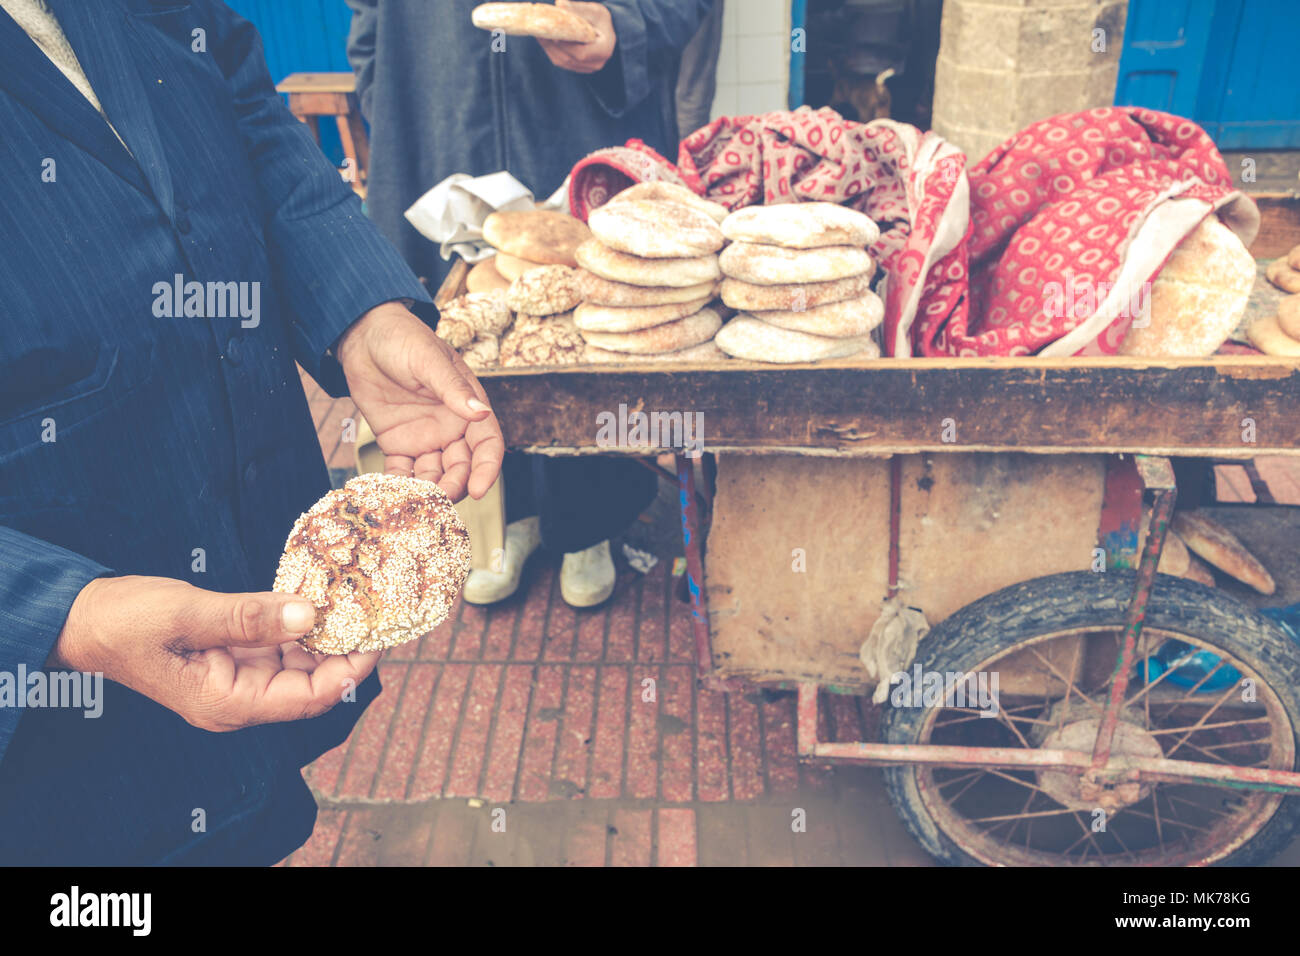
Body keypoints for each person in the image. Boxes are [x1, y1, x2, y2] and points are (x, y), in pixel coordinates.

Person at [0, 0, 502, 865]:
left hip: (248, 609)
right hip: (49, 751)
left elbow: (238, 105)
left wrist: (359, 312)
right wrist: (55, 616)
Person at [347, 0, 713, 608]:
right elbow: (367, 16)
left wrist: (628, 26)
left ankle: (589, 523)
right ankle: (504, 518)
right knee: (468, 325)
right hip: (439, 107)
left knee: (591, 312)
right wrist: (384, 95)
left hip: (580, 113)